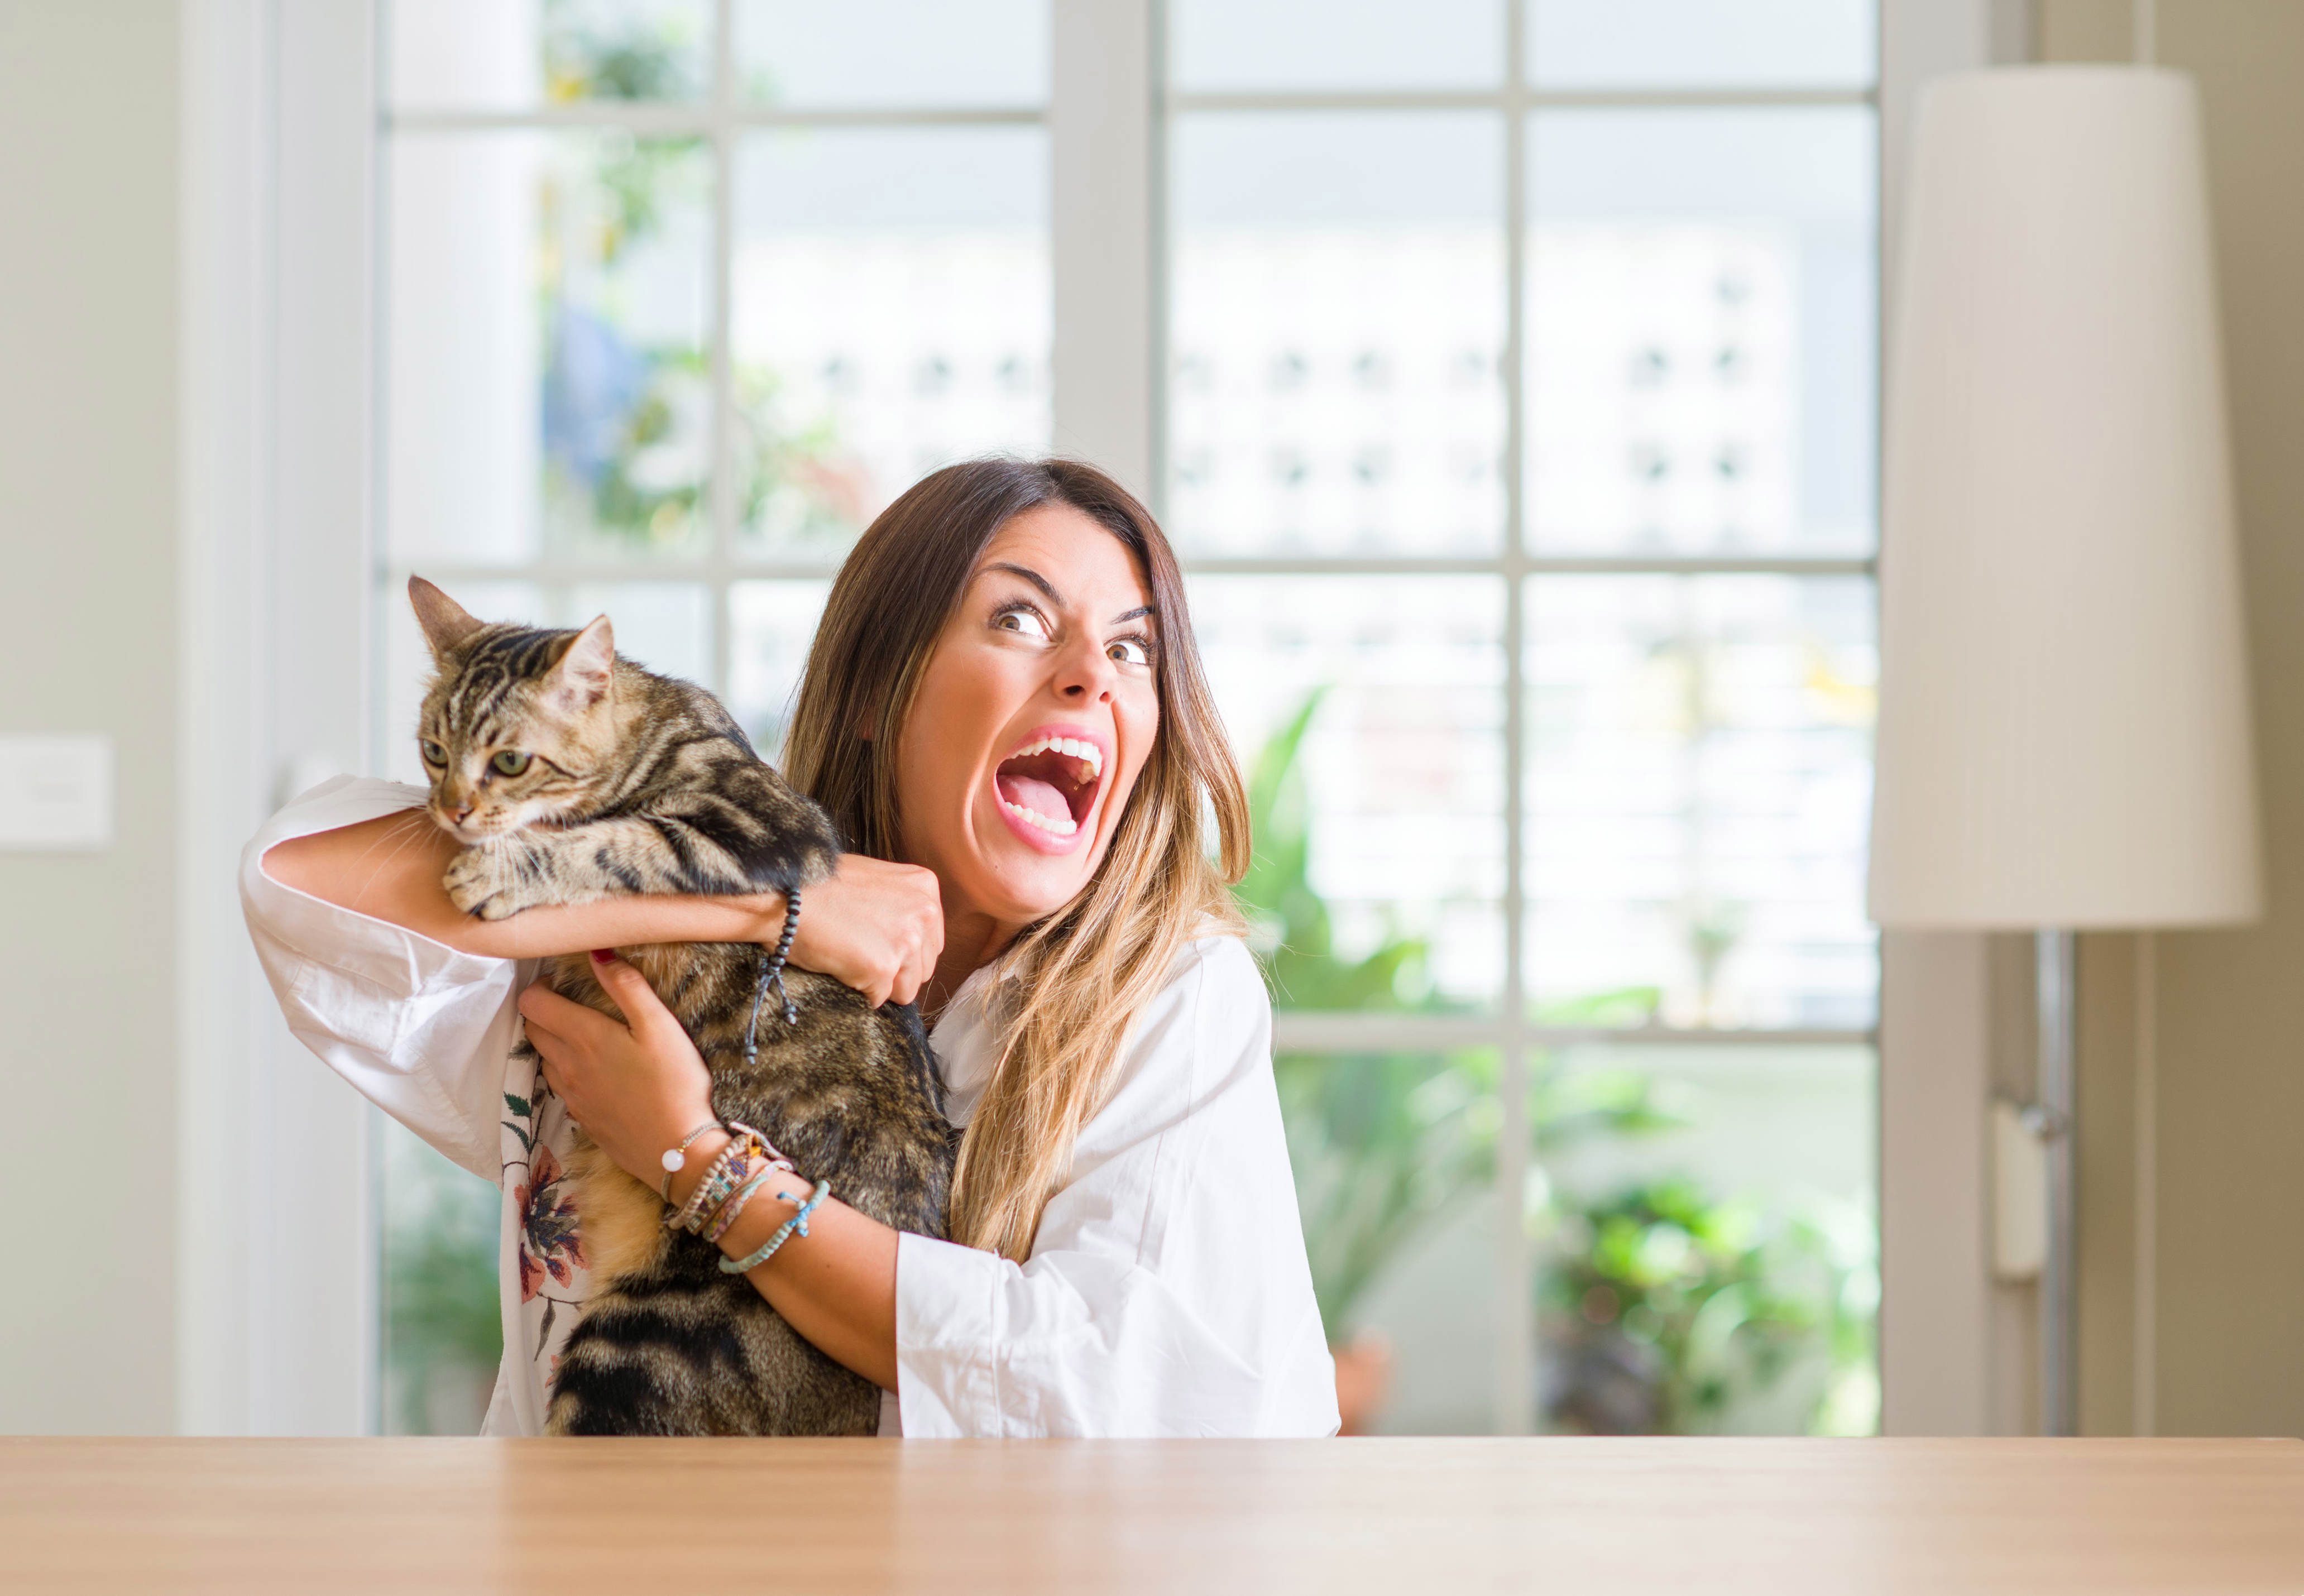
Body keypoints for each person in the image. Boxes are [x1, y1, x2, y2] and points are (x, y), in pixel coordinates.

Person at [241, 457, 1340, 1437]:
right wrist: (773, 908)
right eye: (1017, 618)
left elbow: (1093, 1387)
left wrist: (699, 1160)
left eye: (1132, 647)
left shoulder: (1175, 999)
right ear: (876, 689)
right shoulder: (631, 932)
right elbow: (300, 884)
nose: (1090, 675)